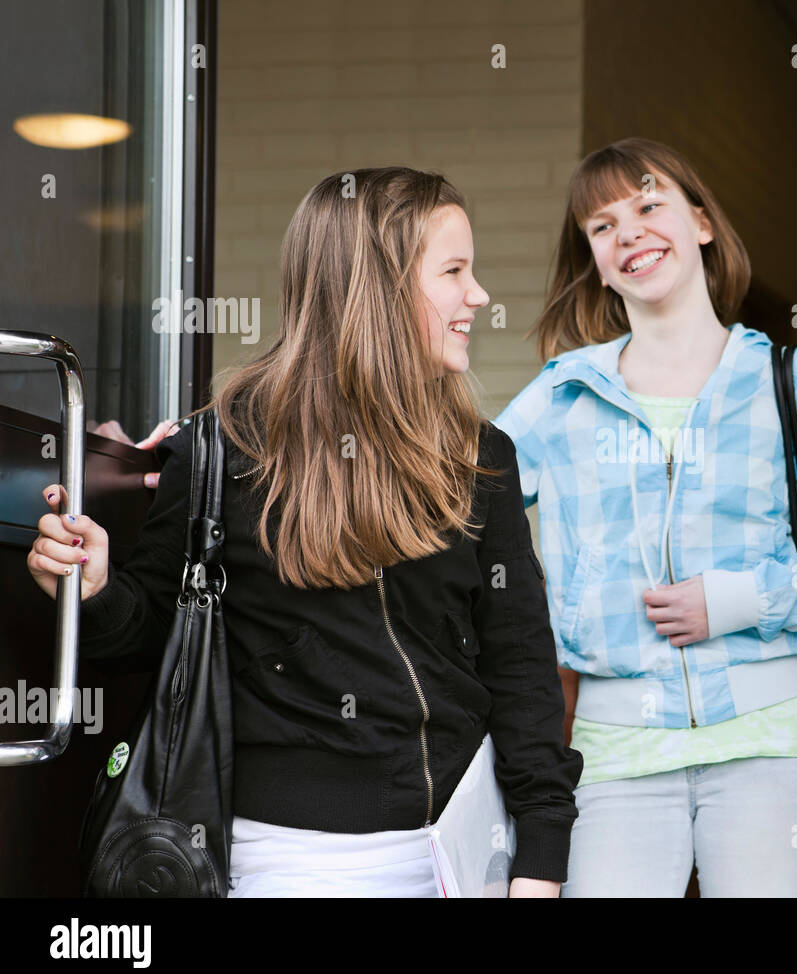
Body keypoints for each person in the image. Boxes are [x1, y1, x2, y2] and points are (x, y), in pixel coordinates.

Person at [27, 166, 582, 897]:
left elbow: (522, 669)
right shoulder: (219, 449)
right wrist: (92, 592)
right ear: (378, 289)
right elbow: (155, 639)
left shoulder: (481, 457)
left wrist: (540, 860)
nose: (479, 295)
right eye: (454, 272)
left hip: (460, 857)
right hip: (282, 865)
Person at [493, 138, 797, 897]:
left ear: (702, 222)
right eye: (601, 227)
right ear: (596, 263)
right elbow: (445, 496)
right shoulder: (563, 396)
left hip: (771, 747)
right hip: (614, 749)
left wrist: (732, 600)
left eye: (648, 206)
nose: (628, 233)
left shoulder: (795, 381)